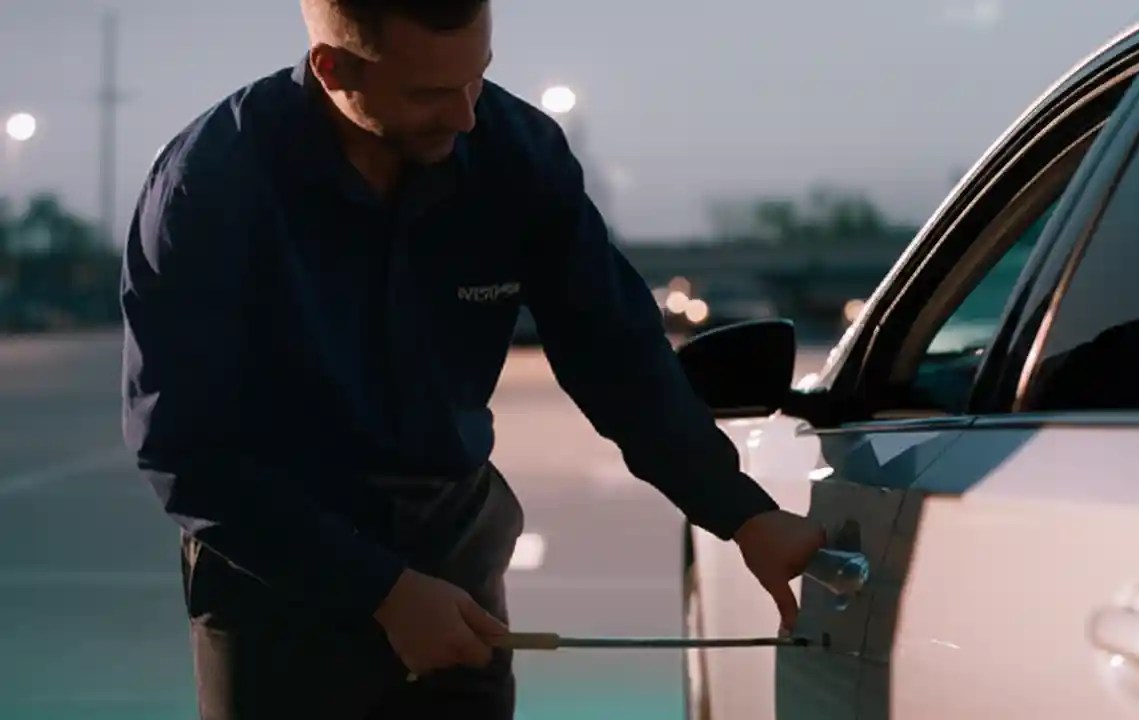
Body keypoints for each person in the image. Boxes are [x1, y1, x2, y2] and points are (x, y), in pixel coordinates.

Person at [119, 0, 827, 717]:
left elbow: (617, 353)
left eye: (476, 80)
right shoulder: (211, 185)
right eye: (428, 93)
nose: (464, 116)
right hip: (279, 566)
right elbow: (182, 446)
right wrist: (382, 591)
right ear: (333, 69)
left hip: (453, 547)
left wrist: (742, 514)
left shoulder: (516, 152)